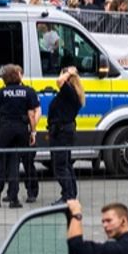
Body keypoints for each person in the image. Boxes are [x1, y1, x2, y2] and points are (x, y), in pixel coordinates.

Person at [0, 64, 40, 208]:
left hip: (5, 129)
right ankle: (14, 199)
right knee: (14, 164)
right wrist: (33, 132)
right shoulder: (28, 91)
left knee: (1, 164)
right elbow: (31, 114)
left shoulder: (1, 92)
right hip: (21, 129)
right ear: (18, 76)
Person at [48, 65, 84, 204]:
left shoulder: (68, 91)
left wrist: (68, 72)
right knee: (66, 164)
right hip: (64, 130)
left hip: (61, 132)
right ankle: (71, 194)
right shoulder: (73, 92)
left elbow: (59, 82)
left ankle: (68, 197)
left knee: (60, 166)